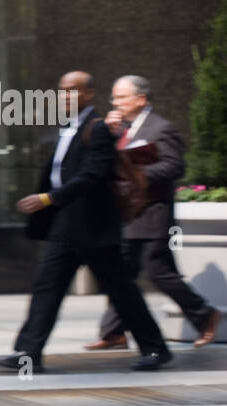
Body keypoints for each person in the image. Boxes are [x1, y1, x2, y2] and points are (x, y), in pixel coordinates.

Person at [0, 71, 173, 372]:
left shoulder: (97, 128)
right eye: (62, 91)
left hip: (94, 227)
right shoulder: (68, 128)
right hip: (65, 225)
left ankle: (155, 349)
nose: (65, 96)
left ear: (88, 94)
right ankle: (28, 353)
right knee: (46, 287)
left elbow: (91, 176)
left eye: (72, 91)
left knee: (120, 289)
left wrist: (48, 198)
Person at [85, 75, 220, 350]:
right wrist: (107, 135)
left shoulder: (161, 129)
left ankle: (205, 315)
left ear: (141, 99)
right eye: (114, 97)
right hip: (127, 214)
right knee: (121, 272)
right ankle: (114, 332)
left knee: (158, 271)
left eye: (121, 97)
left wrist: (136, 174)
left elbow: (174, 167)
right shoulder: (119, 129)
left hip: (154, 213)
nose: (115, 103)